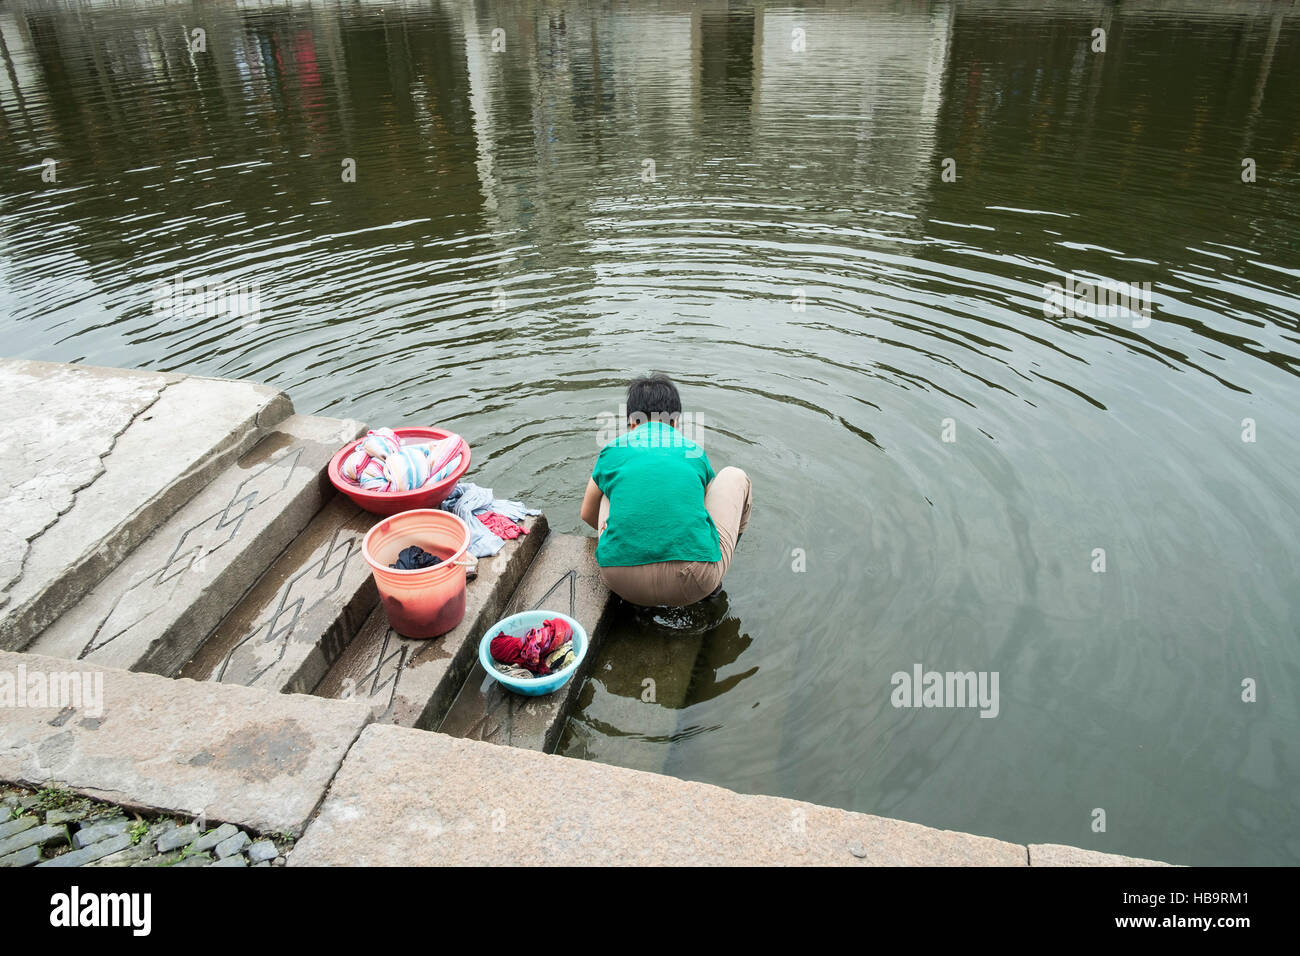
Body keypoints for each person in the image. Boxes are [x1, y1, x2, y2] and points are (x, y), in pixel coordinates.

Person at [581, 373, 752, 606]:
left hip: (620, 580)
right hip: (695, 581)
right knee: (735, 476)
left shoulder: (612, 450)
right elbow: (703, 509)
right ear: (674, 423)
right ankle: (717, 571)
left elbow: (587, 513)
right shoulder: (693, 450)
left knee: (606, 491)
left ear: (632, 423)